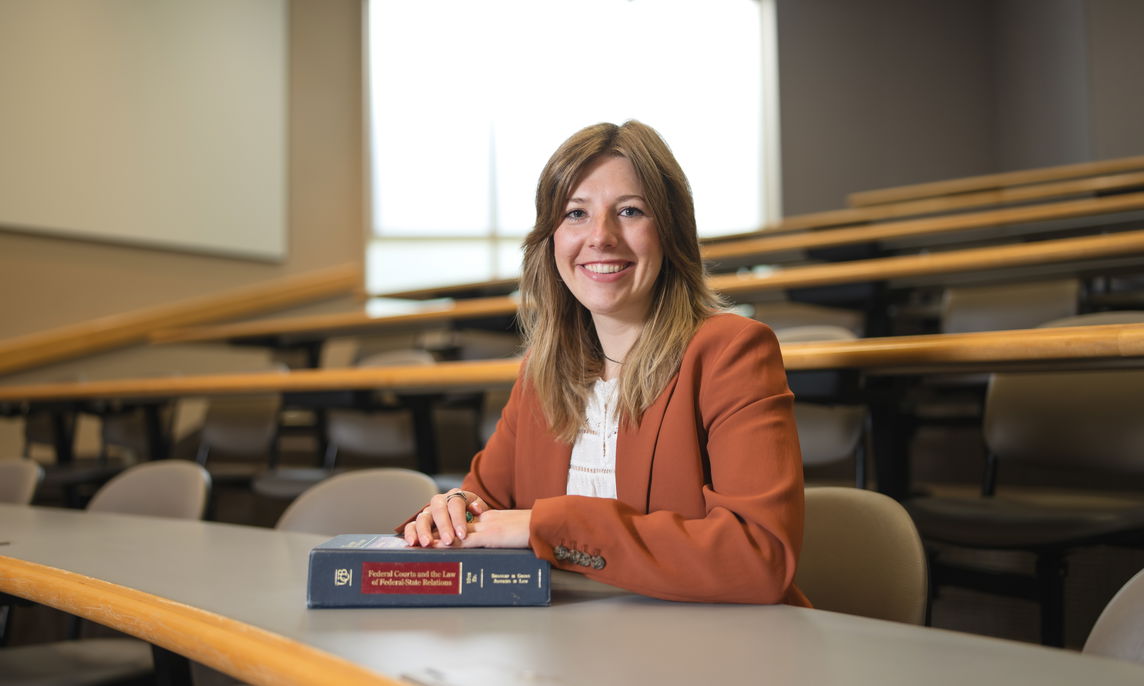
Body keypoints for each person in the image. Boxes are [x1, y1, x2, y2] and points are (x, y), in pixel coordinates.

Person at [402, 120, 809, 605]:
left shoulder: (731, 352)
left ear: (670, 232)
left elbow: (756, 556)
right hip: (563, 650)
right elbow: (482, 498)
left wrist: (546, 525)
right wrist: (452, 510)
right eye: (576, 213)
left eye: (630, 211)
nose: (601, 237)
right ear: (550, 240)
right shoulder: (542, 372)